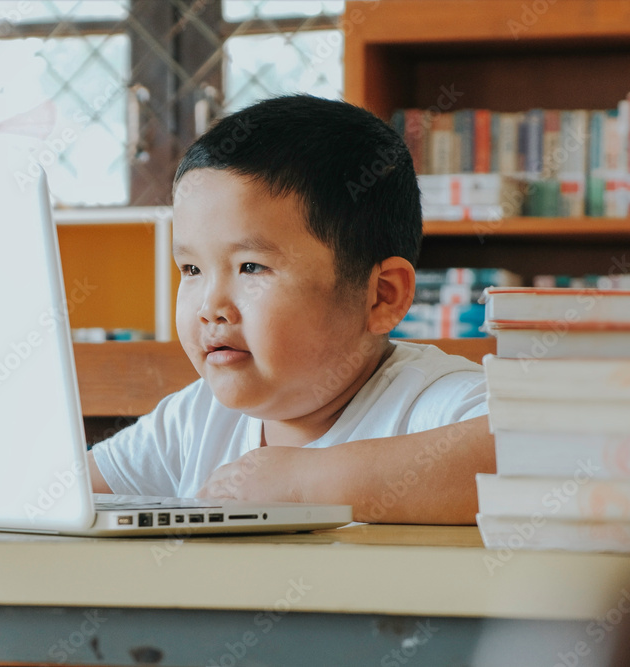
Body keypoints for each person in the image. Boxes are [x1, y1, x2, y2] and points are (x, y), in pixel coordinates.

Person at [86, 94, 495, 525]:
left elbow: (544, 457)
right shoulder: (193, 422)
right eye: (191, 268)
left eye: (251, 267)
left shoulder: (429, 404)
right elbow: (55, 498)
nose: (210, 307)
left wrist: (303, 483)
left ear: (381, 298)